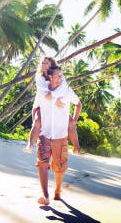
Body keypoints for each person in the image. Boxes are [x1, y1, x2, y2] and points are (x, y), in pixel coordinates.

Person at [33, 65, 82, 205]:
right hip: (45, 133)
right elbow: (35, 107)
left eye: (62, 75)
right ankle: (45, 196)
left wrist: (73, 122)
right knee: (42, 163)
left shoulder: (67, 91)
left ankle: (58, 190)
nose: (61, 78)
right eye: (58, 75)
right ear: (50, 77)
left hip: (61, 135)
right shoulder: (43, 91)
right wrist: (35, 122)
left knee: (59, 166)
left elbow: (78, 104)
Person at [23, 57, 83, 155]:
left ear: (52, 65)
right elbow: (45, 95)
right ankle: (30, 145)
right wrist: (55, 100)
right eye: (42, 63)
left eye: (46, 63)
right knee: (37, 121)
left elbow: (63, 89)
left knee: (71, 122)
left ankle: (77, 149)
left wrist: (74, 120)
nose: (43, 65)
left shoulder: (60, 77)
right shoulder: (39, 78)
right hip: (42, 105)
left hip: (56, 109)